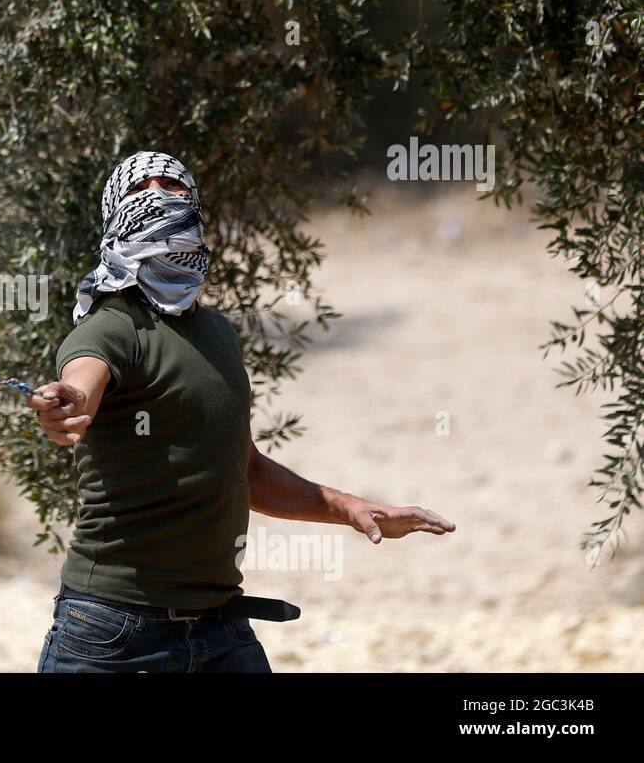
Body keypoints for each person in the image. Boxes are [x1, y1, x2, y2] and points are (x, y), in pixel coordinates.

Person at [29, 151, 455, 673]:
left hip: (219, 630)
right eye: (147, 190)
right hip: (114, 635)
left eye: (176, 188)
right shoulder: (111, 326)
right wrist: (67, 405)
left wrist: (350, 508)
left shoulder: (217, 335)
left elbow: (245, 469)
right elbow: (81, 384)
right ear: (118, 213)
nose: (165, 200)